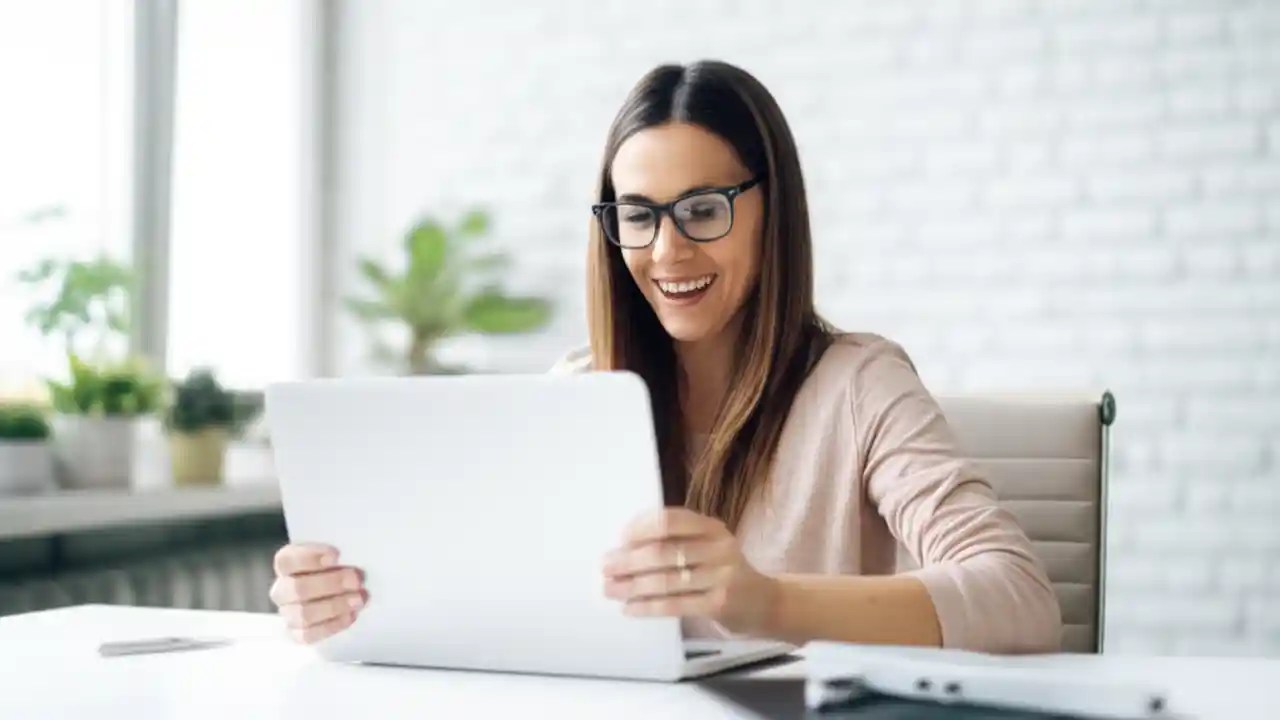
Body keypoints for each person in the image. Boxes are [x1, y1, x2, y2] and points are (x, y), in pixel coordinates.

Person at [270, 60, 1061, 654]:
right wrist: (352, 599)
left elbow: (1022, 598)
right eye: (638, 216)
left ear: (772, 210)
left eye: (704, 210)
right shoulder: (578, 392)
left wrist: (766, 602)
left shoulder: (859, 385)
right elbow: (499, 600)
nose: (666, 250)